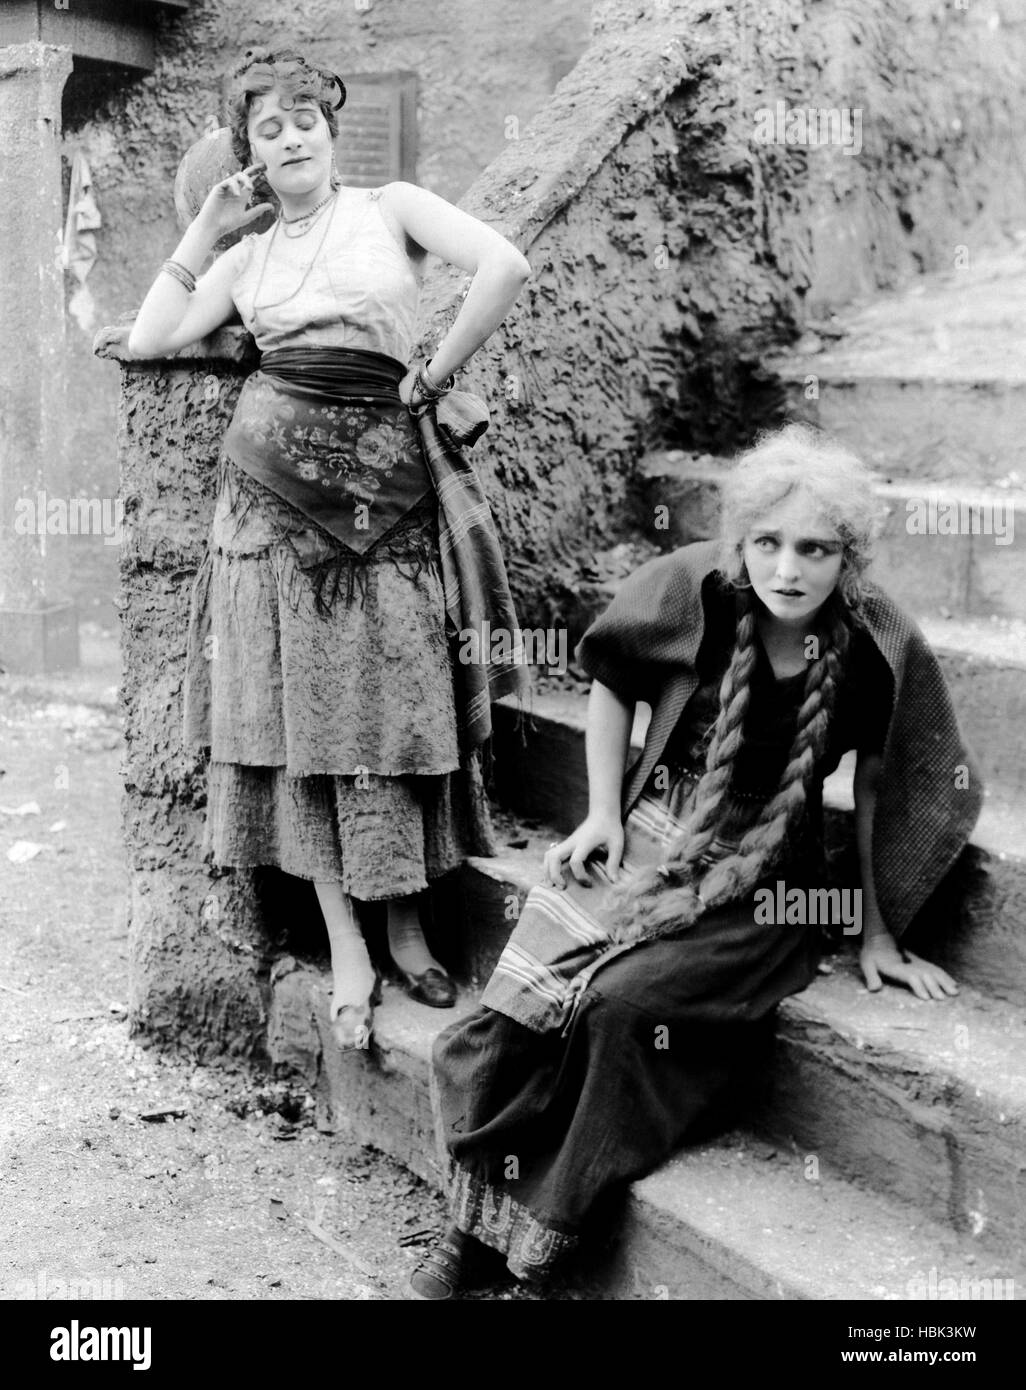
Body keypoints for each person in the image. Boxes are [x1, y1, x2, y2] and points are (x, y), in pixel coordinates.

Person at [409, 422, 984, 1298]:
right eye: (768, 543)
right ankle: (469, 1230)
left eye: (816, 549)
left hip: (770, 880)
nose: (788, 569)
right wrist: (603, 811)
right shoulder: (696, 588)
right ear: (740, 542)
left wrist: (876, 929)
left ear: (850, 558)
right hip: (656, 825)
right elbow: (610, 677)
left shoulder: (875, 642)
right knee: (529, 996)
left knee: (619, 1004)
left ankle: (539, 1248)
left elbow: (884, 785)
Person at [127, 48, 531, 1049]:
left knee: (393, 705)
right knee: (294, 720)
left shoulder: (390, 208)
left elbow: (504, 264)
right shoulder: (246, 256)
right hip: (264, 512)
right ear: (248, 153)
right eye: (269, 127)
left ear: (331, 130)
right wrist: (206, 228)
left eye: (306, 117)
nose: (293, 135)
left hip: (385, 496)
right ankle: (348, 942)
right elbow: (150, 337)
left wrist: (433, 374)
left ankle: (405, 922)